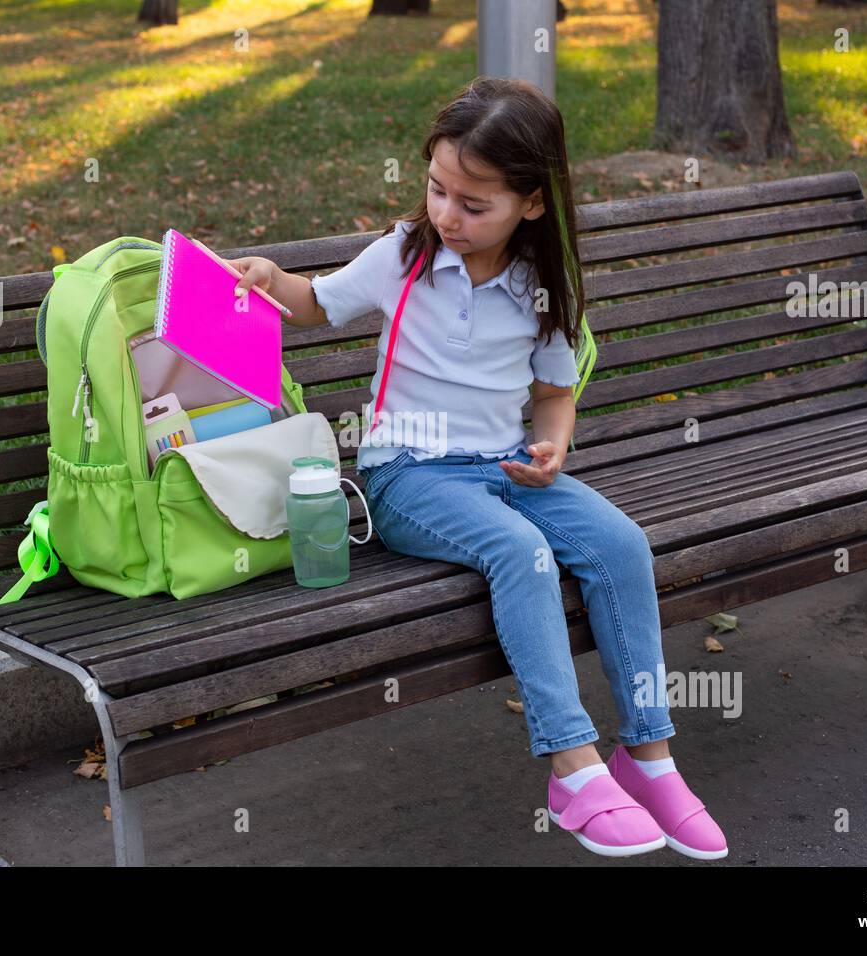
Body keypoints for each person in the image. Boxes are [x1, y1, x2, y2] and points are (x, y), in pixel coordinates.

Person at [226, 76, 726, 861]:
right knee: (519, 554)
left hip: (505, 468)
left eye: (473, 203)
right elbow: (314, 303)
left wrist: (553, 446)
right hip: (409, 476)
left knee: (623, 545)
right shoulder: (403, 257)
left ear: (531, 203)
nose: (448, 215)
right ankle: (571, 765)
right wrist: (267, 282)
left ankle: (649, 753)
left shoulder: (542, 288)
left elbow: (555, 396)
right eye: (438, 190)